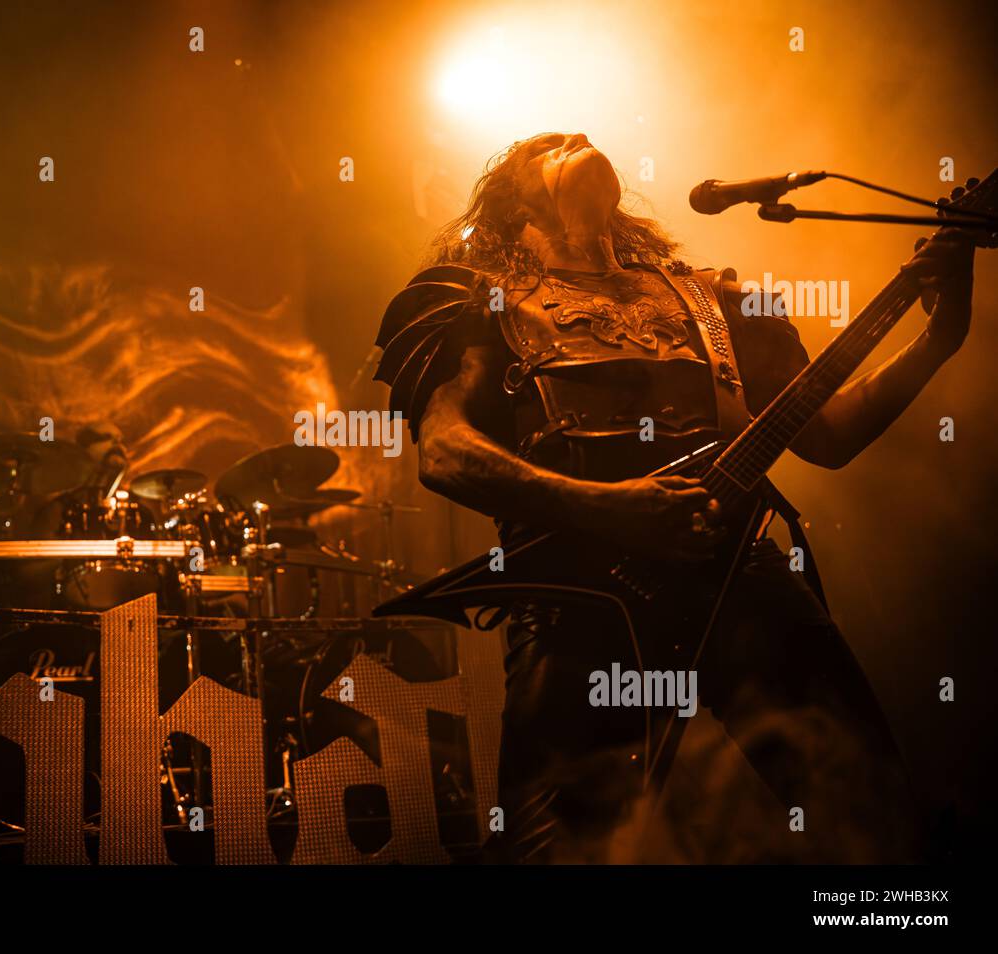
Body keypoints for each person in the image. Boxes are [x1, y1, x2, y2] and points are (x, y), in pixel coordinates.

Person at [372, 132, 974, 862]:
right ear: (509, 198)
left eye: (583, 134)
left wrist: (941, 334)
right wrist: (608, 506)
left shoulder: (711, 296)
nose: (576, 138)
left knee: (877, 831)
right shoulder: (478, 294)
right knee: (565, 854)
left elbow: (829, 434)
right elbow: (444, 451)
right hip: (582, 606)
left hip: (737, 580)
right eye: (548, 144)